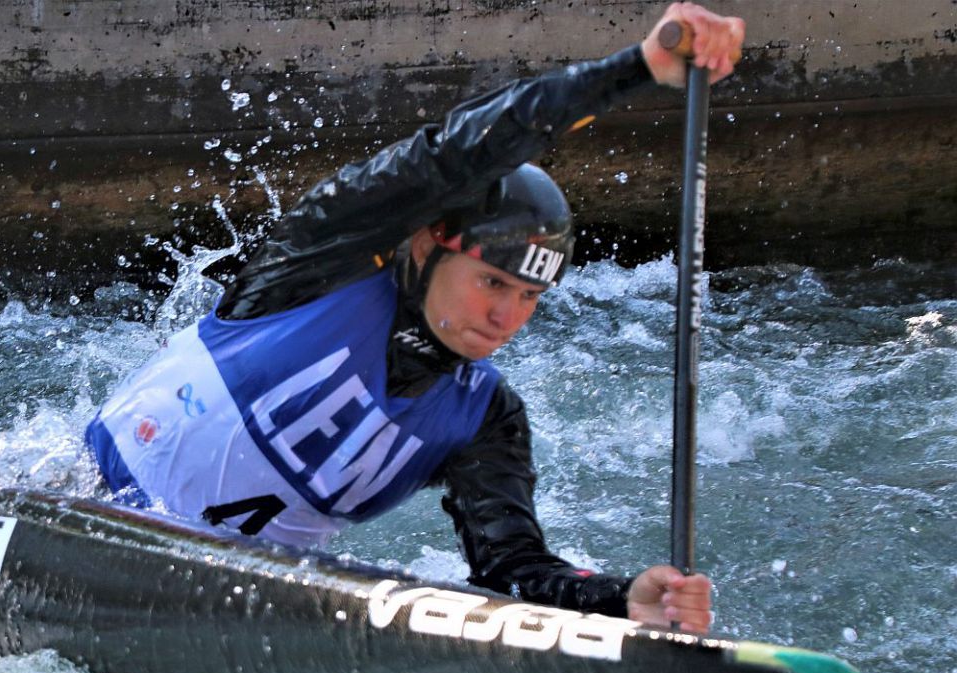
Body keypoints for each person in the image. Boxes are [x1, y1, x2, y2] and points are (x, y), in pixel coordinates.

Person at [86, 3, 744, 634]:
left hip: (224, 601)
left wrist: (621, 599)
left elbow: (511, 570)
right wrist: (634, 68)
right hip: (84, 508)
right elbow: (458, 152)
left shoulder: (484, 418)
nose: (506, 316)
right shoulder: (321, 260)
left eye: (528, 297)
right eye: (492, 281)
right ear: (429, 246)